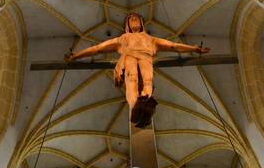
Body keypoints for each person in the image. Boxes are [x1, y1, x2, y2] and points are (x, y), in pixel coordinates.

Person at [64, 13, 208, 123]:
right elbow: (98, 48)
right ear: (127, 24)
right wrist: (76, 56)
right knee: (131, 80)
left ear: (141, 23)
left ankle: (145, 98)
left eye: (136, 19)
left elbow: (174, 46)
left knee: (148, 79)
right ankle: (135, 106)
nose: (134, 21)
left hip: (146, 56)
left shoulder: (151, 39)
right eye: (131, 19)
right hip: (129, 57)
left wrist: (194, 48)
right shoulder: (123, 38)